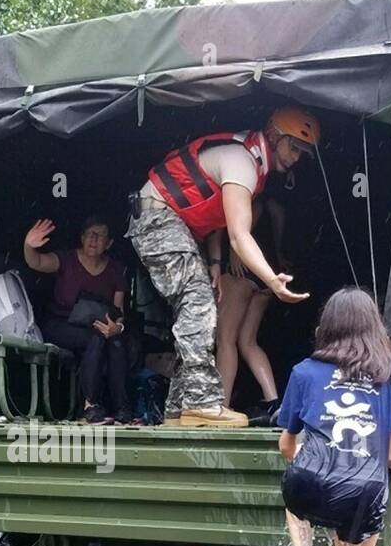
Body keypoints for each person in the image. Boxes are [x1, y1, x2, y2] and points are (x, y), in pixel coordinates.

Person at [127, 103, 318, 427]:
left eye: (303, 152)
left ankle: (179, 409)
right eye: (293, 146)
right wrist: (272, 280)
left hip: (175, 224)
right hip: (158, 216)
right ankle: (201, 402)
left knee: (198, 308)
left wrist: (214, 263)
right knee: (198, 304)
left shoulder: (250, 166)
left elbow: (213, 218)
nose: (296, 156)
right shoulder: (242, 162)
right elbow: (239, 235)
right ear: (273, 135)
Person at [275, 288, 391, 546]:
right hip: (362, 491)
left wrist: (309, 457)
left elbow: (286, 445)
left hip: (309, 480)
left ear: (326, 328)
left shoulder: (303, 371)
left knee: (297, 488)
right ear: (375, 327)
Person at [24, 214, 131, 423]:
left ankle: (122, 409)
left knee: (115, 341)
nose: (94, 239)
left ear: (109, 243)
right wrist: (29, 245)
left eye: (100, 235)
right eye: (90, 234)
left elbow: (119, 310)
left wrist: (117, 327)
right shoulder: (66, 260)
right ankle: (89, 406)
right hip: (59, 325)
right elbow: (36, 262)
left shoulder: (116, 271)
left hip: (96, 326)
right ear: (82, 238)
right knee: (96, 337)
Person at [216, 195, 291, 425]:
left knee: (225, 339)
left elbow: (242, 230)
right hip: (266, 277)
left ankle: (222, 405)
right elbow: (277, 239)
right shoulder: (276, 206)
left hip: (242, 273)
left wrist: (233, 254)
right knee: (247, 342)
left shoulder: (251, 201)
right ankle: (273, 401)